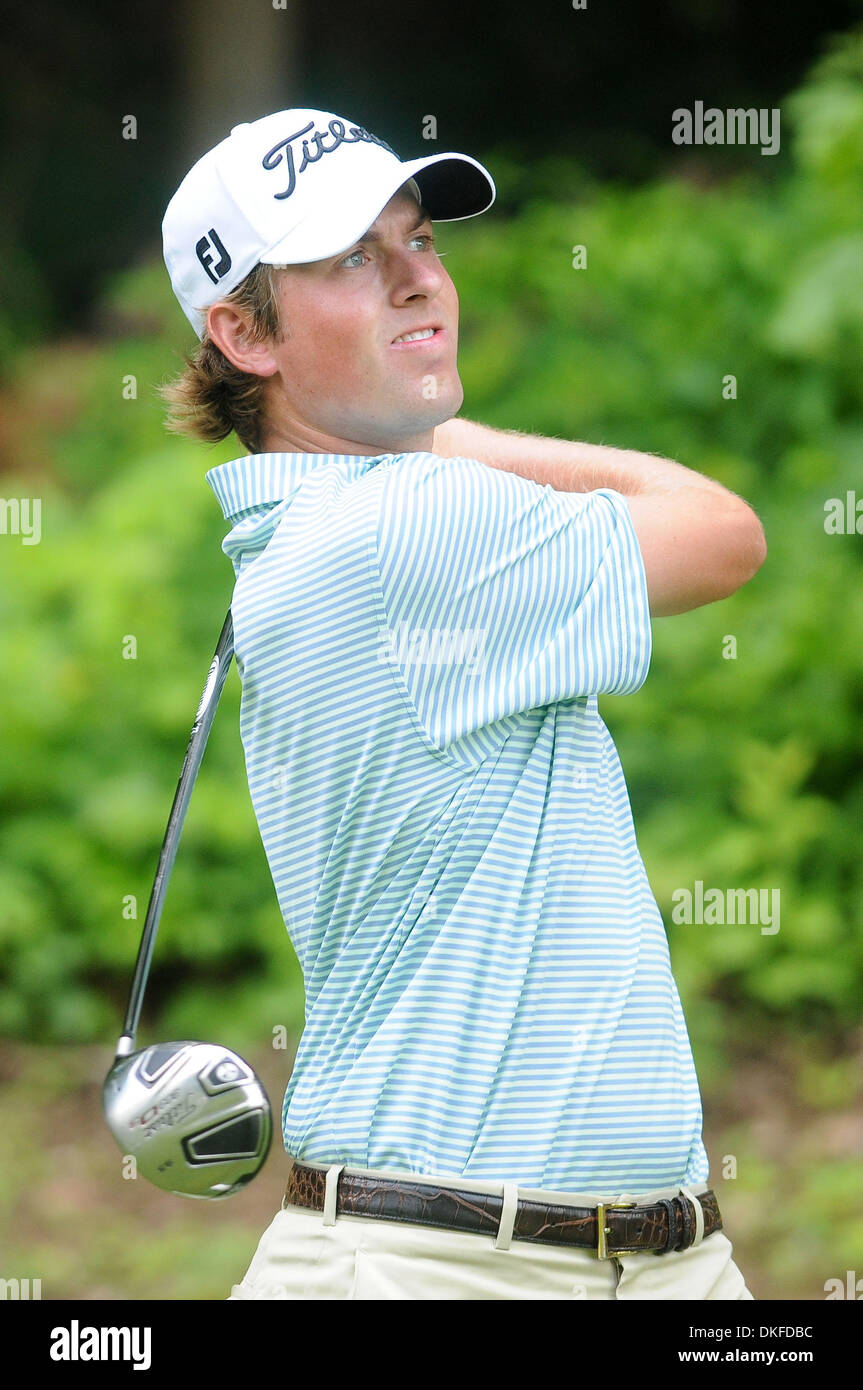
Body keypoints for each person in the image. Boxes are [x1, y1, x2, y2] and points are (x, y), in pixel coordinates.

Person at [160, 107, 766, 1300]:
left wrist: (434, 442)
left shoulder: (302, 533)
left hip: (647, 1260)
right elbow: (723, 533)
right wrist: (460, 442)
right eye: (347, 259)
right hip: (444, 1267)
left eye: (419, 238)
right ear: (242, 331)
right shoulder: (400, 527)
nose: (413, 281)